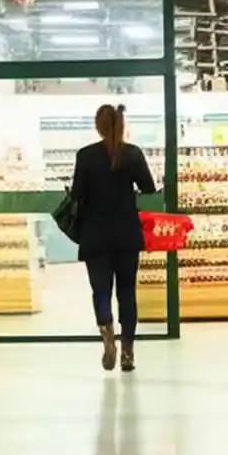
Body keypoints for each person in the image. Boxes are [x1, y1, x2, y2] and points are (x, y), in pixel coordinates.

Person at [70, 103, 157, 372]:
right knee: (127, 293)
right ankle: (128, 350)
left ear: (98, 126)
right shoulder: (132, 154)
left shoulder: (85, 156)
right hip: (126, 235)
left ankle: (107, 336)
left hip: (95, 236)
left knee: (101, 291)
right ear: (121, 126)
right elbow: (149, 187)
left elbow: (76, 195)